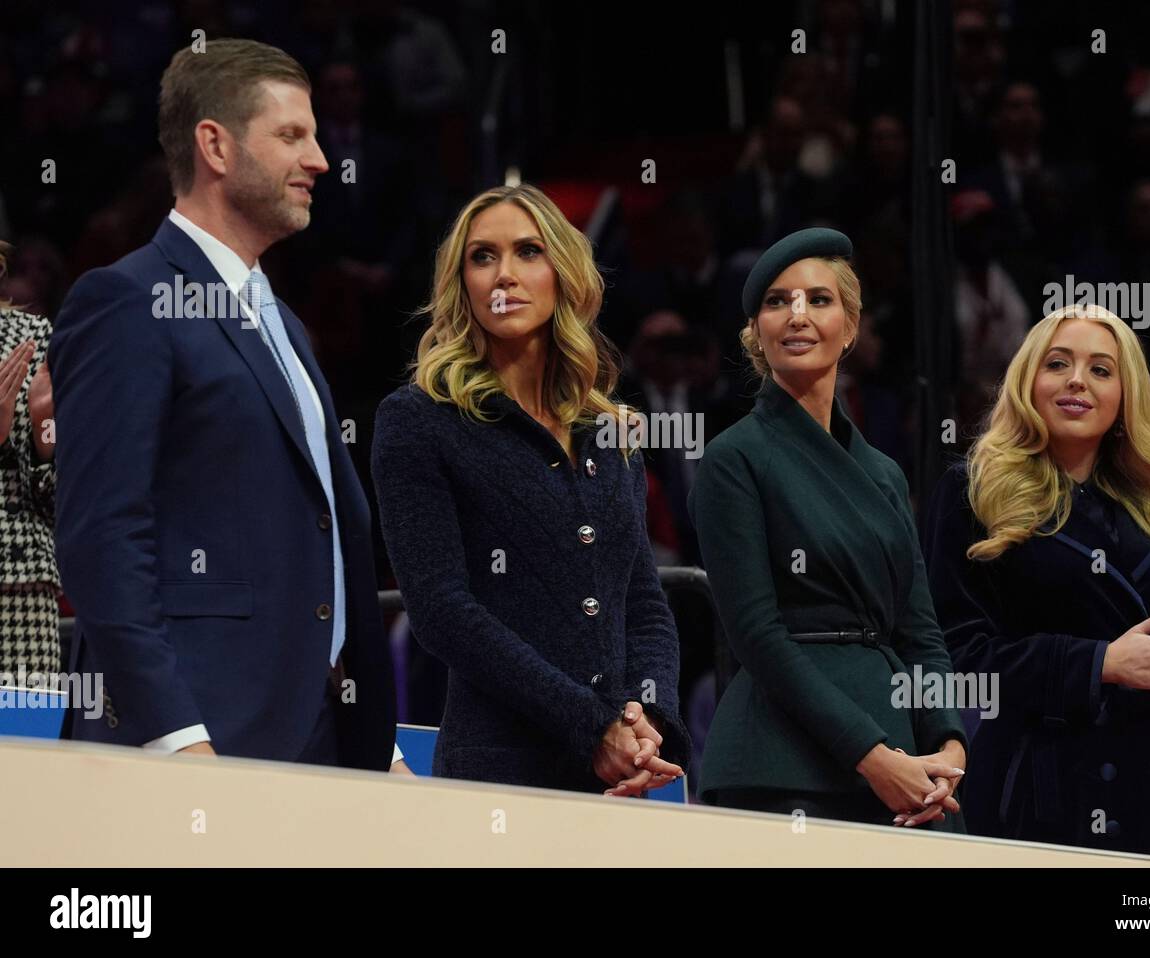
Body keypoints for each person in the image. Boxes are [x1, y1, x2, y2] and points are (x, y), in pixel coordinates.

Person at [49, 39, 402, 771]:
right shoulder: (127, 300)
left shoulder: (285, 321)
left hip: (317, 737)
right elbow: (102, 537)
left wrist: (371, 728)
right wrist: (177, 737)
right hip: (197, 740)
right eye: (291, 135)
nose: (319, 161)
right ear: (214, 143)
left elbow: (318, 539)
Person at [371, 184, 689, 794]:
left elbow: (643, 602)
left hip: (624, 776)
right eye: (482, 256)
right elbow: (442, 612)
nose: (504, 275)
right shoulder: (419, 420)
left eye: (527, 252)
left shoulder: (610, 429)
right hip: (498, 771)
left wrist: (646, 716)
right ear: (460, 283)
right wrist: (591, 725)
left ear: (563, 274)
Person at [925, 304, 1150, 859]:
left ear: (1124, 398)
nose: (1077, 380)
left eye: (1100, 369)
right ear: (1028, 382)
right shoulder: (973, 491)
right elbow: (958, 658)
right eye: (1058, 363)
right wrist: (1102, 665)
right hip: (1042, 793)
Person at [689, 228, 967, 826]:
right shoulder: (733, 458)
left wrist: (949, 743)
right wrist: (871, 757)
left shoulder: (885, 472)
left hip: (909, 755)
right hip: (783, 759)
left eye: (818, 299)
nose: (798, 315)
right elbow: (757, 638)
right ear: (756, 335)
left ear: (850, 326)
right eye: (776, 301)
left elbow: (920, 631)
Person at [0, 243, 59, 676]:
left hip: (22, 595)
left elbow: (70, 500)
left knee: (28, 741)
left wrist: (45, 431)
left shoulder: (36, 340)